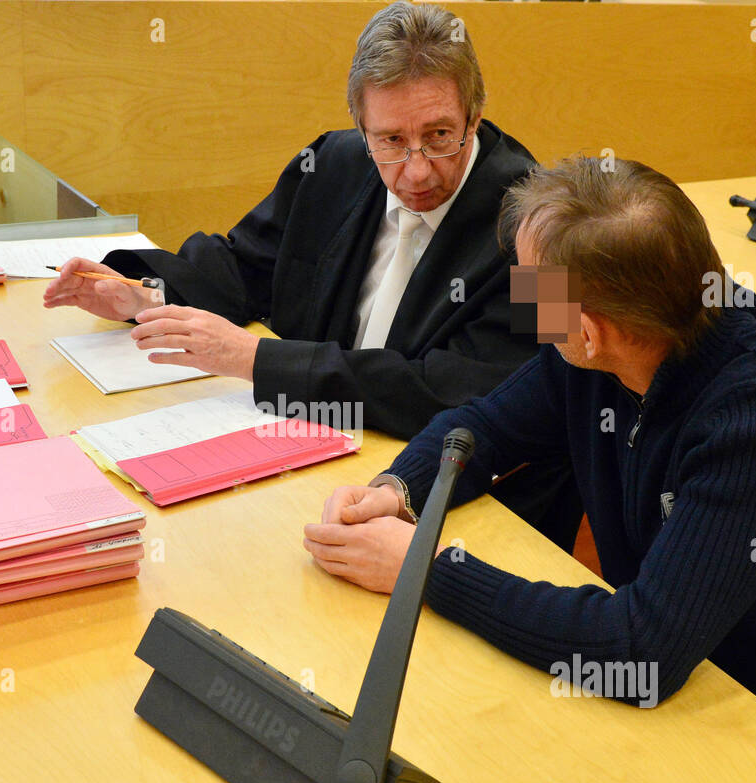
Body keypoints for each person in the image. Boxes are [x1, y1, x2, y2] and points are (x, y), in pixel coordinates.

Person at [303, 156, 756, 783]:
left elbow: (644, 648)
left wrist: (428, 569)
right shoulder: (612, 345)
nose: (521, 304)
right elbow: (482, 427)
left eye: (529, 288)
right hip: (699, 708)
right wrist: (400, 488)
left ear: (587, 328)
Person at [43, 1, 581, 548]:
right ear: (361, 127)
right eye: (391, 140)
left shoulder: (541, 233)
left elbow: (459, 395)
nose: (416, 169)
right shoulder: (332, 163)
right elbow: (246, 267)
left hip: (452, 509)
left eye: (441, 135)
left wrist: (256, 360)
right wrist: (144, 295)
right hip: (308, 468)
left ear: (475, 114)